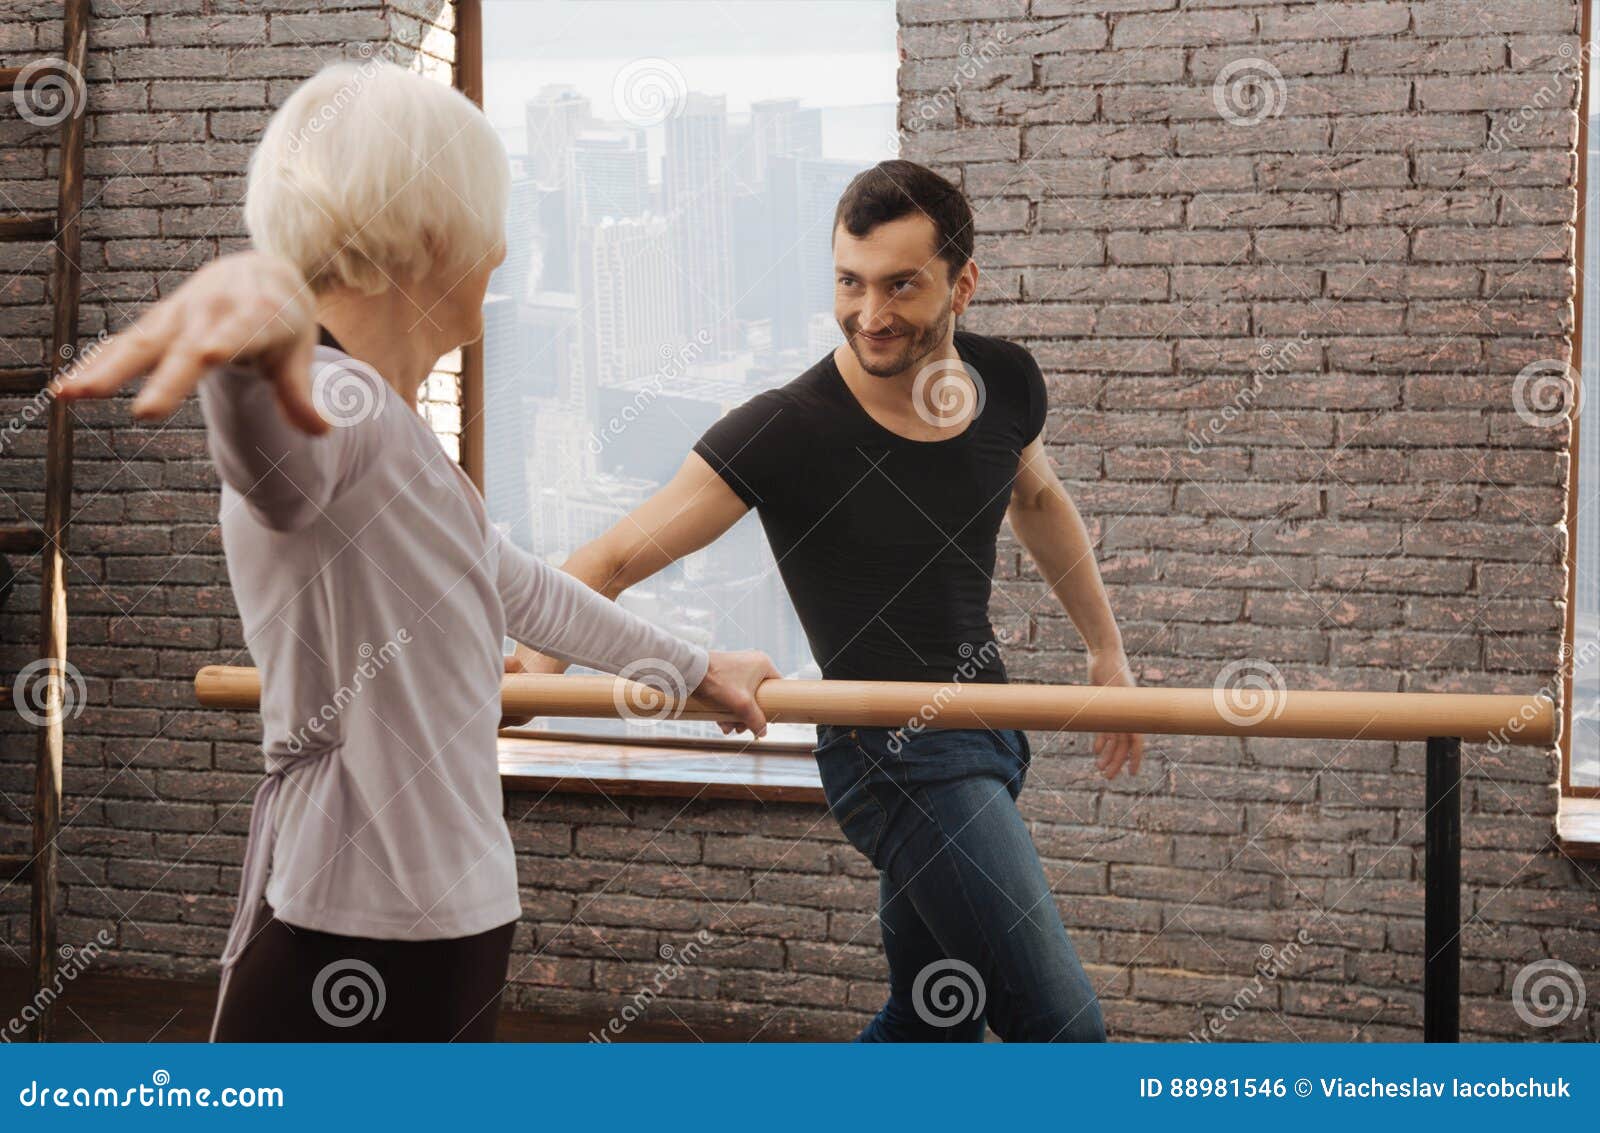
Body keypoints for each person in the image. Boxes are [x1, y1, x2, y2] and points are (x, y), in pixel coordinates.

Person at [55, 60, 778, 1042]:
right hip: (351, 923)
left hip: (451, 914)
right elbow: (275, 463)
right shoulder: (337, 404)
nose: (507, 248)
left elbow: (521, 586)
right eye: (490, 219)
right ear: (433, 237)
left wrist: (695, 667)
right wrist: (246, 342)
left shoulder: (395, 432)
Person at [518, 160, 1146, 1042]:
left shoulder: (1005, 380)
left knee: (931, 1019)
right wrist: (538, 663)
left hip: (992, 733)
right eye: (850, 283)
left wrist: (1106, 652)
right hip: (894, 755)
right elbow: (617, 554)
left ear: (963, 284)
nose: (870, 313)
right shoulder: (790, 428)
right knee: (1066, 1027)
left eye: (901, 285)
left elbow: (1037, 498)